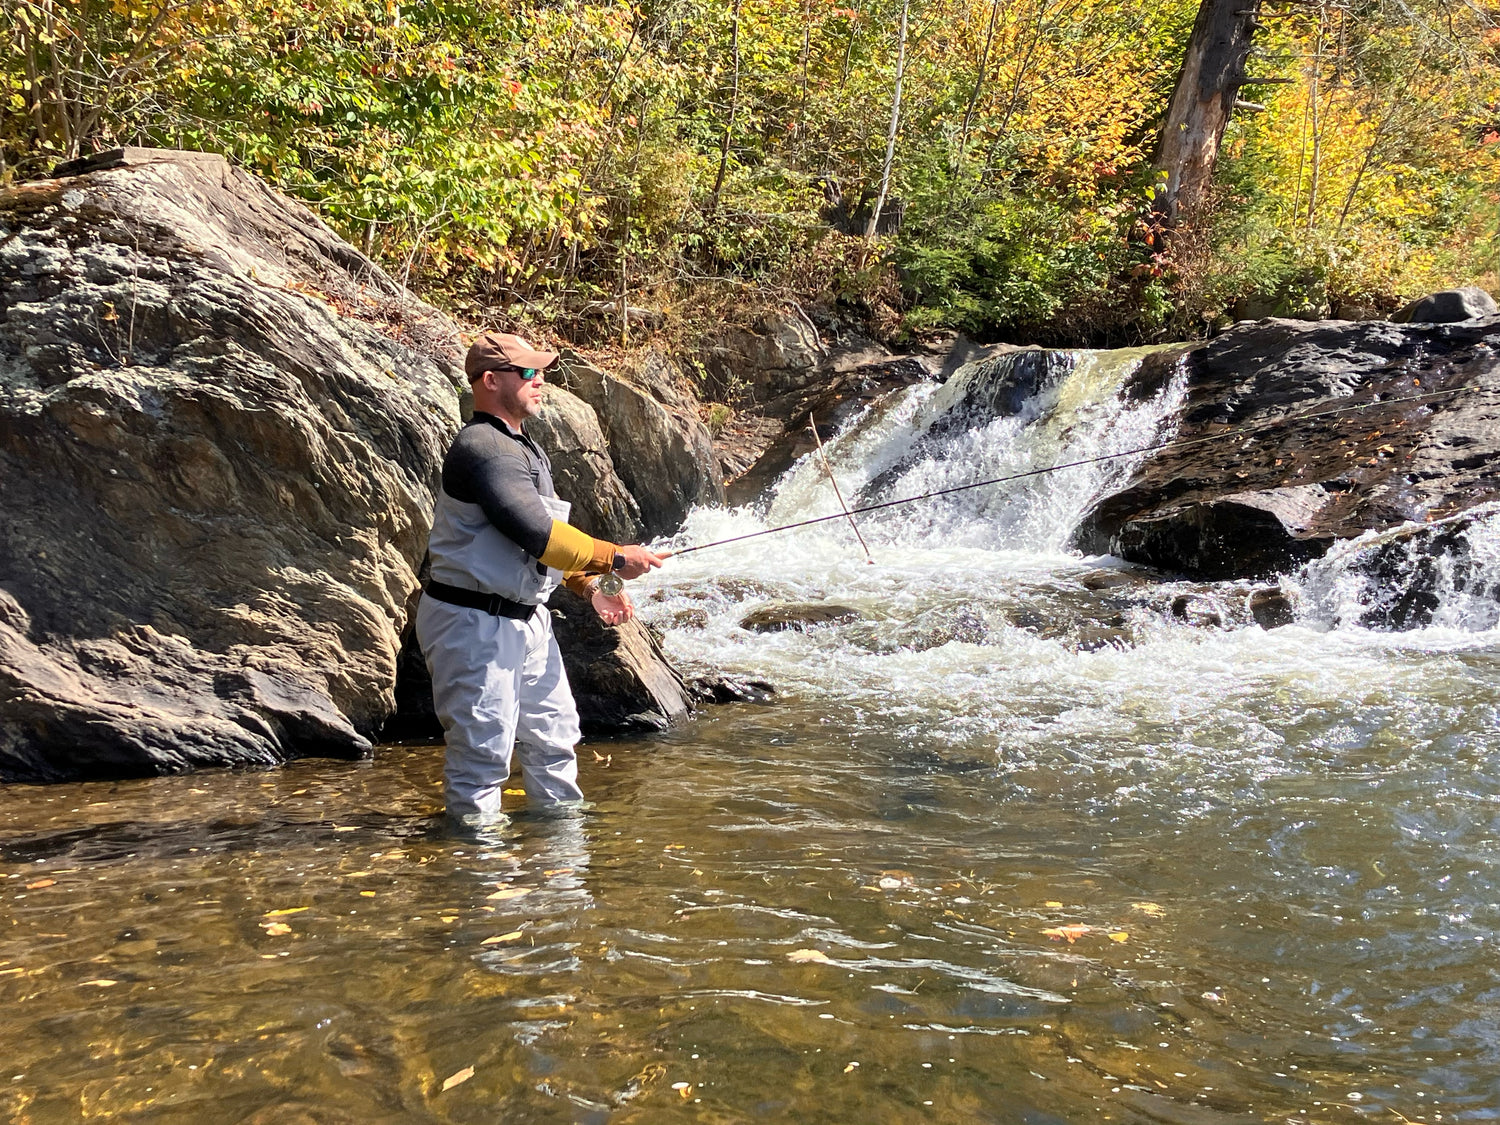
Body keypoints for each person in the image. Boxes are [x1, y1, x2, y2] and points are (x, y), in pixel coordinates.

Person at [416, 331, 667, 823]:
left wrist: (590, 585)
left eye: (543, 373)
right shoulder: (483, 447)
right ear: (490, 381)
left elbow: (540, 541)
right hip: (472, 624)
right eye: (530, 373)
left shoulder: (525, 449)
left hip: (526, 622)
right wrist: (614, 558)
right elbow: (534, 531)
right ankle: (477, 883)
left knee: (555, 741)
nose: (542, 383)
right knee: (483, 761)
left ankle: (561, 880)